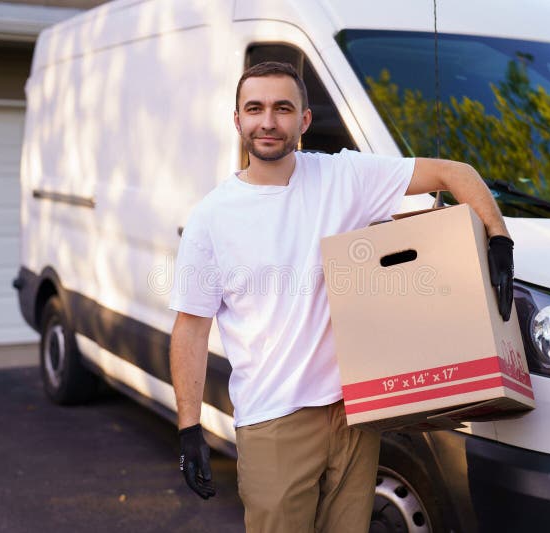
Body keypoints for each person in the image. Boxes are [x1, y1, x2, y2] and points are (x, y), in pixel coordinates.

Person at [168, 61, 514, 532]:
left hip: (355, 416)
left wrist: (498, 238)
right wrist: (189, 429)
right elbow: (191, 327)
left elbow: (454, 173)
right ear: (237, 120)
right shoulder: (211, 219)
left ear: (304, 121)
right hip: (274, 420)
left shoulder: (344, 177)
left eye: (282, 108)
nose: (268, 121)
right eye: (255, 108)